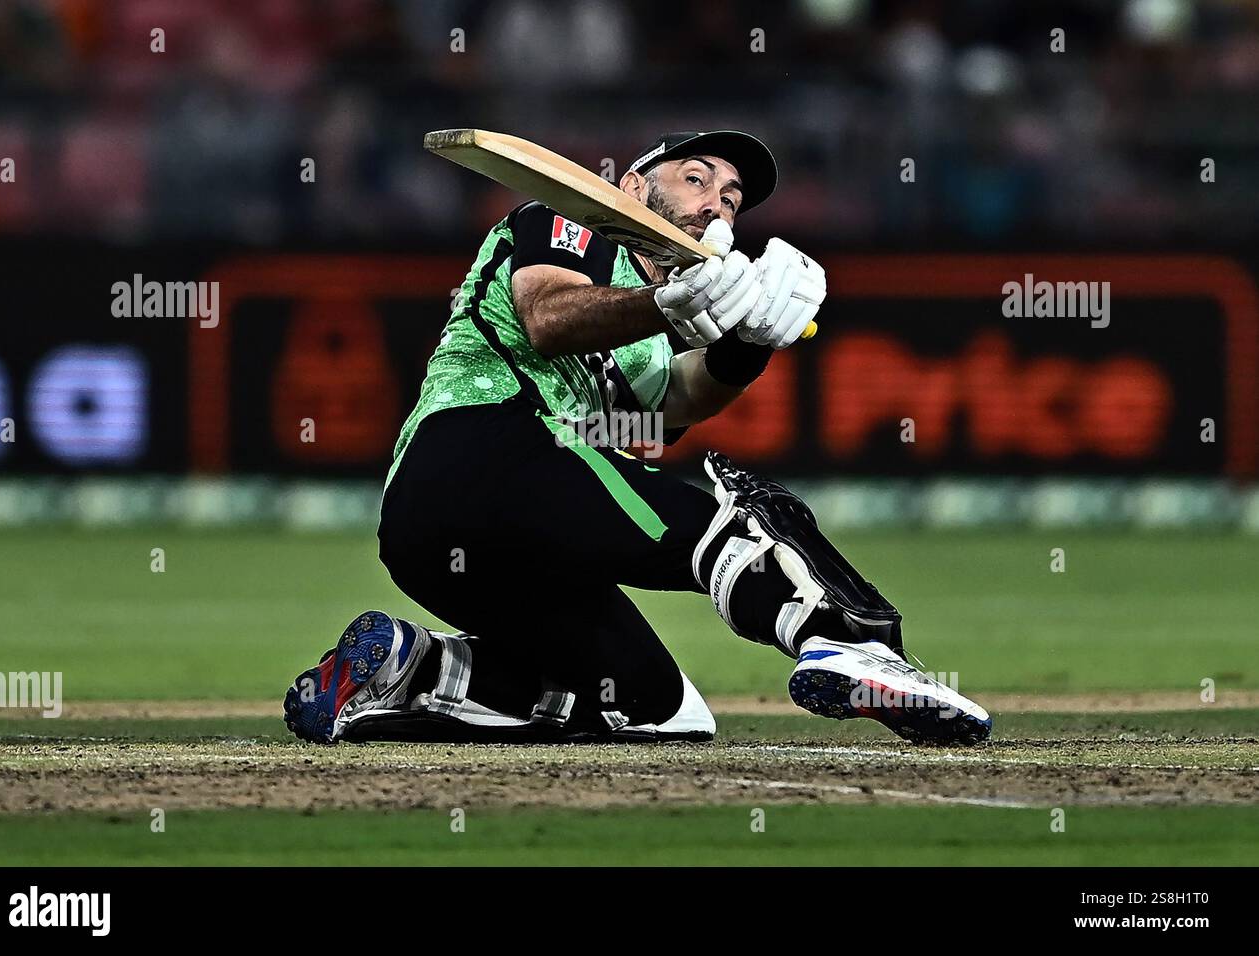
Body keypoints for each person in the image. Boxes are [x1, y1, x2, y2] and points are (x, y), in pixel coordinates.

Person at [284, 130, 990, 746]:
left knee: (658, 712)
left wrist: (749, 344)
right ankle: (850, 644)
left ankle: (409, 669)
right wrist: (666, 303)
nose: (717, 202)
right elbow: (548, 317)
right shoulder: (567, 216)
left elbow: (675, 407)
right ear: (632, 185)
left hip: (469, 539)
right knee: (740, 522)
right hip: (474, 450)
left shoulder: (649, 339)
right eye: (696, 178)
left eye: (733, 198)